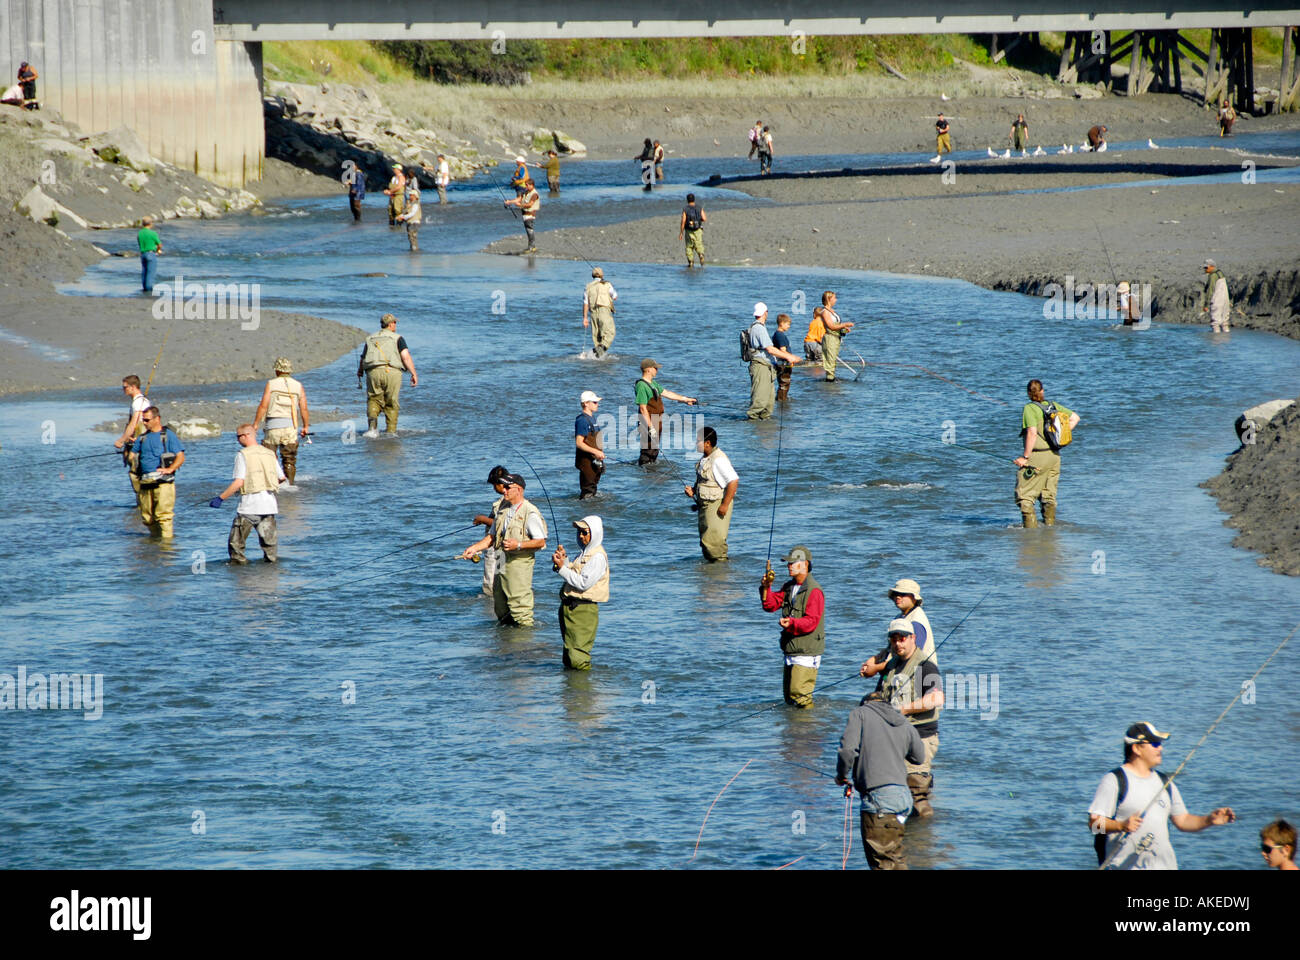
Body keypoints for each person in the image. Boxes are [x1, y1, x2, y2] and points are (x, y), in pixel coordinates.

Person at [1088, 722, 1237, 870]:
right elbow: (1094, 825)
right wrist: (1120, 825)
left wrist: (1209, 820)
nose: (1160, 748)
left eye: (1159, 743)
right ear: (1136, 748)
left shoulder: (1165, 782)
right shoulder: (1114, 780)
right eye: (1154, 743)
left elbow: (1183, 821)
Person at [836, 690, 926, 869]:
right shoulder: (903, 721)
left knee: (882, 863)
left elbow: (847, 751)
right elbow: (919, 757)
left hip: (879, 800)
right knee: (896, 858)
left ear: (866, 703)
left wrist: (841, 775)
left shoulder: (860, 713)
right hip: (903, 799)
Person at [873, 618, 944, 817]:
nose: (898, 643)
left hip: (920, 739)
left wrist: (904, 710)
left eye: (902, 638)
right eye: (894, 639)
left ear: (913, 638)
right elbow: (880, 695)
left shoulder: (925, 667)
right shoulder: (892, 666)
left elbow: (937, 698)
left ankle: (923, 841)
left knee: (917, 796)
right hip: (894, 739)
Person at [461, 473, 547, 627]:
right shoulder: (502, 508)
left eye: (508, 487)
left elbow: (540, 542)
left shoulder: (530, 512)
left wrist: (518, 545)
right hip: (500, 557)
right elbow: (492, 537)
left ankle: (524, 644)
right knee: (500, 602)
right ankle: (505, 643)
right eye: (503, 487)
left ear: (519, 489)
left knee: (519, 605)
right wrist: (474, 548)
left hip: (519, 562)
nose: (504, 490)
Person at [760, 545, 826, 709]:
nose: (789, 566)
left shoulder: (814, 591)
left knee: (800, 695)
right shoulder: (789, 587)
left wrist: (792, 623)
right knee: (789, 698)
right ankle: (794, 732)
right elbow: (770, 605)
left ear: (805, 564)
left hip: (806, 652)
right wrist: (766, 587)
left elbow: (812, 621)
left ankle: (807, 728)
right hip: (791, 650)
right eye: (788, 563)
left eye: (793, 563)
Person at [211, 422, 286, 564]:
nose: (237, 440)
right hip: (269, 506)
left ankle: (240, 579)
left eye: (238, 437)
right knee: (270, 551)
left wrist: (221, 498)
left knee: (236, 547)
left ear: (245, 436)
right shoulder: (270, 453)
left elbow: (239, 482)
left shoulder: (242, 455)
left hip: (249, 507)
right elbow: (281, 478)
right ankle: (270, 579)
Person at [1013, 378, 1080, 528]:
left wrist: (1025, 457)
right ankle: (1049, 531)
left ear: (1028, 393)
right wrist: (1060, 438)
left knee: (1025, 496)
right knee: (1048, 495)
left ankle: (1031, 536)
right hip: (1055, 456)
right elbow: (1075, 418)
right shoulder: (1052, 406)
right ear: (1042, 391)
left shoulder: (1029, 408)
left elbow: (1031, 432)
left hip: (1037, 456)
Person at [553, 516, 609, 670]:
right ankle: (570, 691)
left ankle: (583, 691)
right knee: (569, 655)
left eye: (585, 532)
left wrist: (561, 569)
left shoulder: (597, 557)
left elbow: (583, 583)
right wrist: (564, 561)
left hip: (583, 610)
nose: (581, 536)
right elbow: (575, 574)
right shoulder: (584, 554)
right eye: (579, 532)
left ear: (595, 533)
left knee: (577, 658)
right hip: (570, 608)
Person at [861, 578, 935, 679]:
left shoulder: (916, 622)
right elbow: (891, 648)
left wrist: (876, 668)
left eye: (903, 594)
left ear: (914, 598)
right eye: (895, 594)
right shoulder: (900, 617)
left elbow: (910, 656)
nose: (898, 597)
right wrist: (874, 660)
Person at [682, 426, 738, 561]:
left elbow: (733, 481)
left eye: (698, 441)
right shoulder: (705, 458)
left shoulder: (719, 459)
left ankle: (721, 575)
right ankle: (710, 577)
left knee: (714, 543)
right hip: (704, 506)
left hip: (716, 505)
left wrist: (724, 505)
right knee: (706, 542)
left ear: (707, 443)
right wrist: (694, 491)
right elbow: (707, 481)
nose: (696, 443)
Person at [357, 313, 418, 436]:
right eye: (395, 322)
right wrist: (413, 373)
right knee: (391, 402)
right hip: (392, 372)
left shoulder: (370, 338)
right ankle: (391, 432)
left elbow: (363, 358)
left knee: (373, 400)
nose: (396, 324)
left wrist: (360, 371)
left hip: (373, 372)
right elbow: (405, 357)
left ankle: (372, 431)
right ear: (390, 324)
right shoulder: (398, 338)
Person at [253, 357, 309, 486]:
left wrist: (255, 423)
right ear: (289, 370)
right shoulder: (298, 385)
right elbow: (304, 408)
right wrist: (305, 426)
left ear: (277, 370)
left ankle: (272, 484)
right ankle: (290, 486)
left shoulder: (271, 384)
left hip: (273, 426)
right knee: (289, 459)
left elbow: (263, 406)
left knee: (269, 457)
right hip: (291, 427)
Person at [131, 406, 184, 538]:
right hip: (145, 482)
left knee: (164, 516)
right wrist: (127, 447)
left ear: (157, 419)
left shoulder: (167, 435)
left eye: (147, 420)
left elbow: (180, 456)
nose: (144, 423)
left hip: (163, 483)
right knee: (147, 518)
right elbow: (131, 457)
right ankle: (155, 542)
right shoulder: (142, 438)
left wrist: (171, 469)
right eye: (143, 420)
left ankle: (166, 547)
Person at [635, 358, 698, 465]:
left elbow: (667, 393)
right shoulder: (641, 385)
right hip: (648, 422)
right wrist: (650, 427)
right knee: (647, 450)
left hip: (656, 420)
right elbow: (643, 408)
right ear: (648, 369)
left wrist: (685, 399)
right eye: (655, 368)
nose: (657, 370)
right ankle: (645, 474)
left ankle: (651, 472)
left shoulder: (653, 383)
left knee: (654, 450)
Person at [745, 303, 802, 421]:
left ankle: (766, 428)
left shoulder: (759, 327)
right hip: (760, 366)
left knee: (769, 402)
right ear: (765, 313)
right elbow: (770, 349)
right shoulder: (759, 328)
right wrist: (790, 357)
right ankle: (753, 425)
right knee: (760, 400)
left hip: (767, 367)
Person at [471, 466, 512, 597]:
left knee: (491, 583)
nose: (494, 488)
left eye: (495, 485)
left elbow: (499, 524)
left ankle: (491, 605)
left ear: (501, 484)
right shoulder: (514, 499)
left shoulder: (505, 501)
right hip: (503, 546)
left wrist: (482, 519)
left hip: (496, 547)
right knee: (501, 578)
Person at [114, 374, 150, 495]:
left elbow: (134, 424)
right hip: (138, 442)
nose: (123, 390)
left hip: (140, 444)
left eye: (125, 387)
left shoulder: (139, 403)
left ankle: (142, 502)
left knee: (136, 474)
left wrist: (121, 440)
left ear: (133, 387)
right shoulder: (139, 402)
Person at [574, 390, 606, 500]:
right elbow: (579, 443)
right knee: (587, 491)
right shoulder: (582, 420)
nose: (597, 404)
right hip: (586, 461)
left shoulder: (592, 419)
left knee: (593, 489)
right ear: (586, 403)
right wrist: (596, 452)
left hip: (595, 460)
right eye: (595, 402)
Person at [818, 290, 855, 383]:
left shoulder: (832, 311)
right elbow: (831, 326)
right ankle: (830, 381)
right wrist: (844, 324)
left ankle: (831, 379)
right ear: (828, 299)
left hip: (836, 338)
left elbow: (836, 325)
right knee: (830, 360)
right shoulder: (824, 312)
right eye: (834, 298)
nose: (836, 300)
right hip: (830, 338)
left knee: (833, 360)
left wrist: (844, 329)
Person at [583, 267, 617, 357]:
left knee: (597, 337)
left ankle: (597, 356)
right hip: (604, 311)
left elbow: (586, 303)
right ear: (602, 275)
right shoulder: (607, 284)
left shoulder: (588, 287)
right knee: (610, 333)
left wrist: (585, 318)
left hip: (593, 313)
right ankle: (598, 351)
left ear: (592, 276)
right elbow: (615, 296)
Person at [503, 178, 540, 253]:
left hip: (530, 215)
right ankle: (531, 247)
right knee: (528, 230)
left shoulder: (534, 194)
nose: (525, 187)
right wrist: (509, 202)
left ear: (532, 185)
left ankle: (532, 247)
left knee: (530, 230)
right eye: (525, 185)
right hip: (525, 215)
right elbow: (519, 199)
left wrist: (520, 205)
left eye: (527, 185)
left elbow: (530, 204)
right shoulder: (526, 192)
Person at [773, 313, 798, 402]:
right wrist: (792, 357)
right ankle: (782, 400)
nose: (789, 326)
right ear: (781, 323)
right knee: (784, 383)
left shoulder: (778, 334)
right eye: (788, 324)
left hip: (782, 363)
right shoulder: (780, 335)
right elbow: (783, 350)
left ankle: (781, 399)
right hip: (783, 364)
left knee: (783, 383)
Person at [1201, 258, 1231, 333]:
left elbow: (1210, 290)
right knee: (1225, 323)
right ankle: (1226, 338)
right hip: (1225, 301)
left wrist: (1206, 305)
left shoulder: (1213, 276)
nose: (1205, 269)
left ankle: (1215, 339)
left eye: (1206, 267)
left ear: (1212, 266)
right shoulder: (1220, 273)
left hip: (1217, 301)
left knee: (1215, 323)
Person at [679, 193, 706, 268]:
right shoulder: (699, 207)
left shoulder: (685, 209)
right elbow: (704, 218)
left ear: (687, 200)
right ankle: (701, 254)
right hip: (698, 229)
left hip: (688, 230)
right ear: (694, 199)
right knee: (698, 243)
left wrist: (681, 233)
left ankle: (691, 262)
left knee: (689, 246)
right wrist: (698, 220)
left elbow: (683, 221)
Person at [137, 215, 162, 294]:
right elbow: (160, 244)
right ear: (150, 224)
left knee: (144, 272)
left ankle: (144, 288)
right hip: (151, 253)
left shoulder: (140, 233)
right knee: (150, 273)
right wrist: (158, 250)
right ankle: (148, 290)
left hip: (143, 254)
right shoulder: (153, 233)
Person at [396, 182, 421, 252]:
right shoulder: (409, 204)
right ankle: (413, 249)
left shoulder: (416, 204)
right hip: (410, 223)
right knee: (410, 237)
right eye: (410, 195)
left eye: (411, 195)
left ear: (415, 196)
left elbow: (412, 214)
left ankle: (414, 250)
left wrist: (403, 217)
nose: (410, 197)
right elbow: (406, 212)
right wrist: (400, 216)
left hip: (414, 223)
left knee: (412, 237)